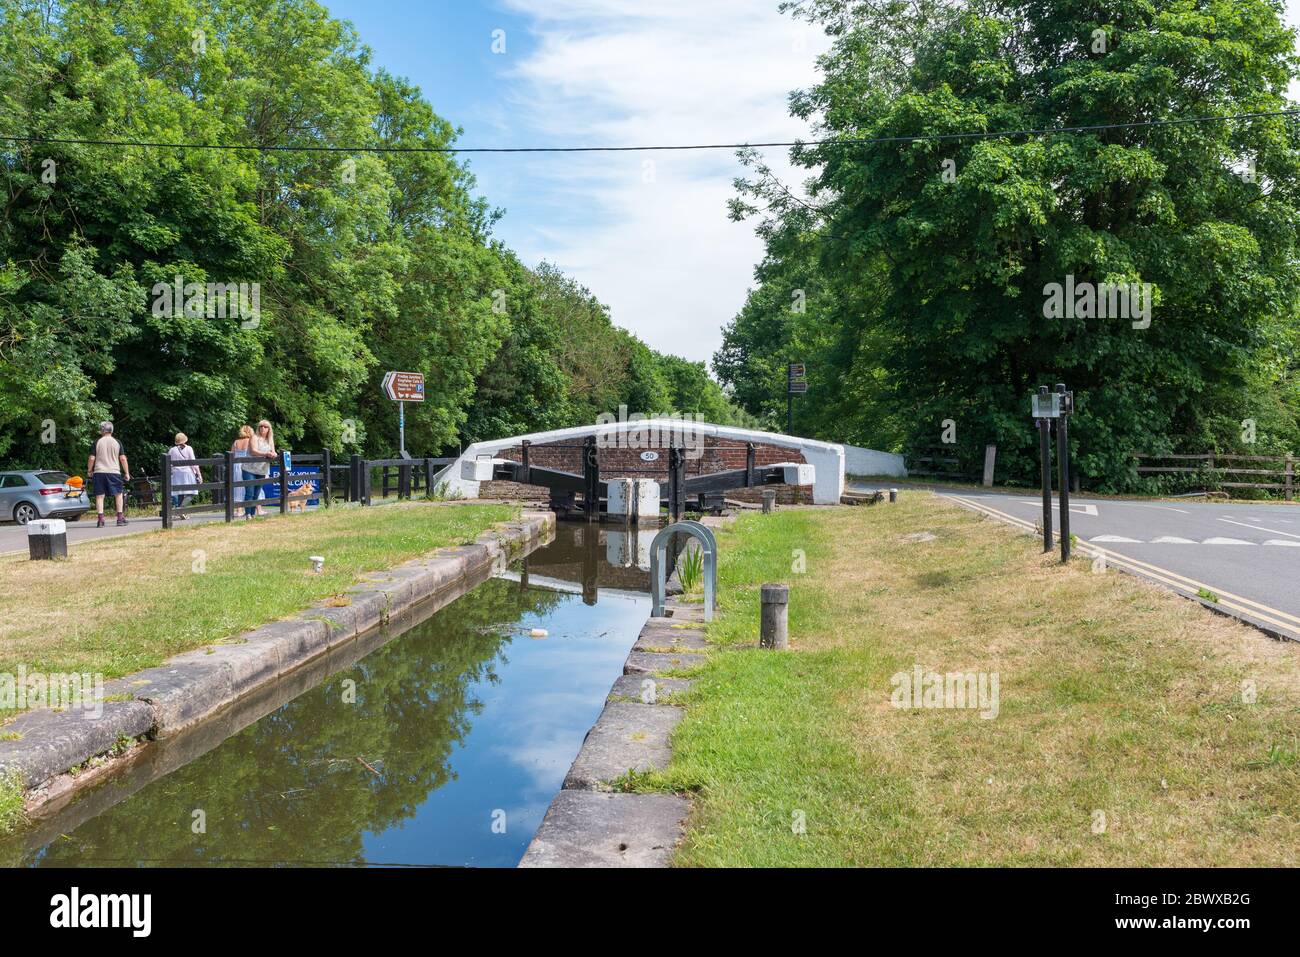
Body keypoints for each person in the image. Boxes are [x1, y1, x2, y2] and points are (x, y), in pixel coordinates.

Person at [87, 421, 130, 528]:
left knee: (100, 496)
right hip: (114, 471)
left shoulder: (97, 442)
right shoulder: (117, 442)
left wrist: (89, 470)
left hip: (99, 471)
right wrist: (127, 473)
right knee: (118, 494)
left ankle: (101, 520)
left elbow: (92, 458)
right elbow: (123, 458)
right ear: (111, 430)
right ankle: (120, 518)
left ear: (102, 430)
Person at [167, 433, 202, 519]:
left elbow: (169, 464)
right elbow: (193, 463)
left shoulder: (171, 450)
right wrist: (199, 474)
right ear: (185, 440)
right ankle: (180, 509)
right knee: (192, 492)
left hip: (176, 474)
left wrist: (172, 472)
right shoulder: (189, 448)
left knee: (180, 493)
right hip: (187, 473)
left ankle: (180, 512)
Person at [247, 419, 277, 516]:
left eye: (265, 426)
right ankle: (247, 514)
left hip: (262, 469)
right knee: (250, 492)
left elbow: (273, 451)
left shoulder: (270, 440)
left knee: (256, 493)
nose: (263, 428)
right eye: (261, 426)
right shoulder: (254, 437)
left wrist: (274, 454)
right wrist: (266, 454)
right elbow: (253, 451)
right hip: (249, 469)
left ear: (269, 429)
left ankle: (252, 514)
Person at [230, 425, 255, 520]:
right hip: (246, 465)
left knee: (237, 487)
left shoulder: (236, 442)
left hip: (236, 465)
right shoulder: (250, 441)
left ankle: (238, 510)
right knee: (248, 488)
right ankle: (249, 509)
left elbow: (232, 454)